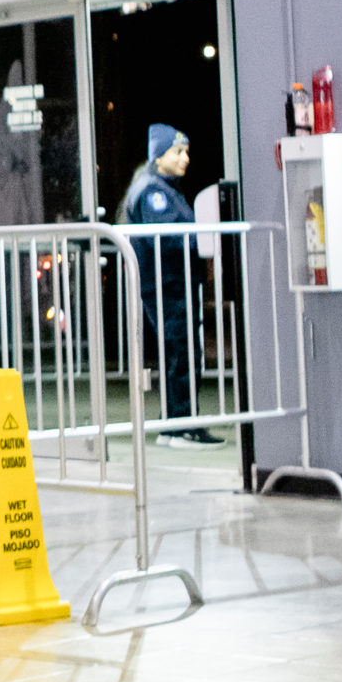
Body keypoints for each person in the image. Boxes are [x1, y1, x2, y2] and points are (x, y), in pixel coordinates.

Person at [120, 124, 217, 445]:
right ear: (158, 156)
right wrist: (202, 240)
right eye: (177, 152)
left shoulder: (163, 189)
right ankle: (179, 426)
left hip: (175, 284)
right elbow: (171, 236)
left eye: (186, 151)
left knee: (184, 352)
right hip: (167, 285)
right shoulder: (154, 192)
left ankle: (184, 422)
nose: (185, 158)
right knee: (181, 353)